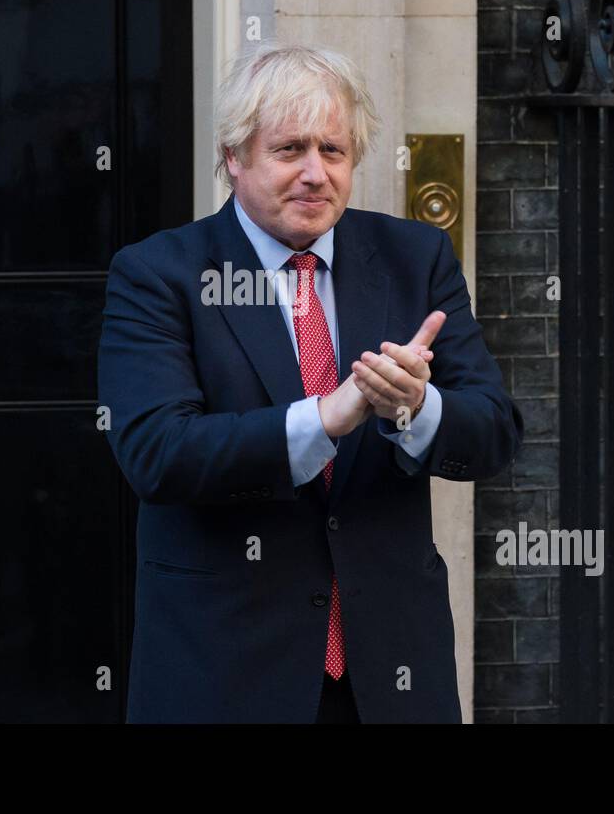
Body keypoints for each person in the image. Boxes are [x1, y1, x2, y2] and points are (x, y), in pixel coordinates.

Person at [97, 41, 524, 723]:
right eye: (289, 149)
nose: (315, 174)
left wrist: (417, 406)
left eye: (334, 150)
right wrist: (325, 417)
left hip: (391, 672)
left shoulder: (415, 259)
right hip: (227, 672)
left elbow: (495, 432)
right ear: (234, 157)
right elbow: (156, 451)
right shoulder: (160, 274)